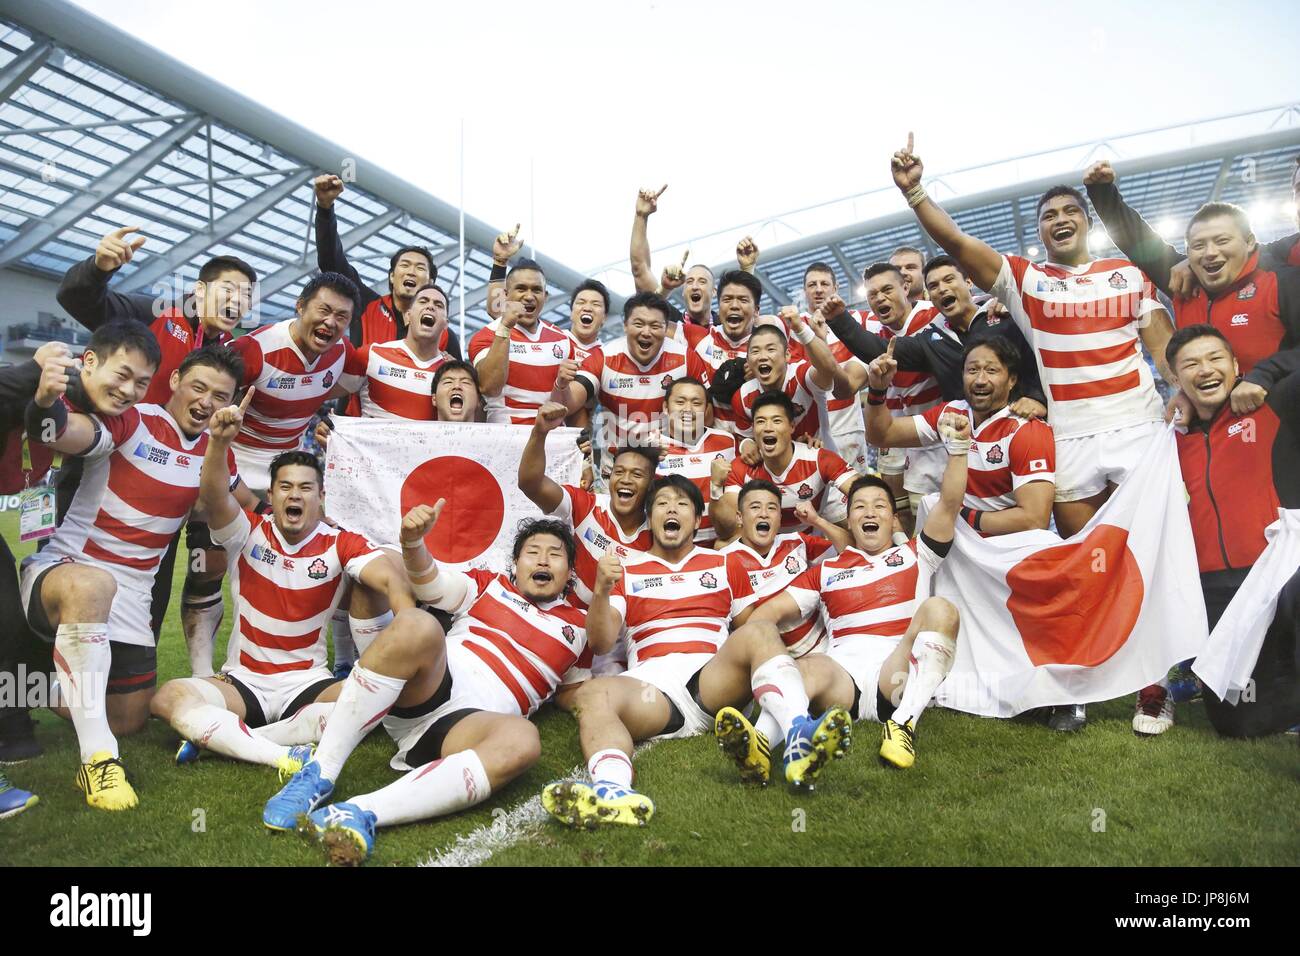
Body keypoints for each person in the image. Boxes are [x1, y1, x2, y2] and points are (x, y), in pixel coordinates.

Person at [892, 134, 1177, 731]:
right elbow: (957, 245)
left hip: (1138, 427)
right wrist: (916, 191)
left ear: (1088, 223)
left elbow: (1161, 349)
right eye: (1049, 216)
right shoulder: (1025, 281)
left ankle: (1156, 687)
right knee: (1087, 566)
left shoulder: (1130, 274)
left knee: (1152, 553)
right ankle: (1087, 673)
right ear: (1040, 233)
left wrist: (1183, 396)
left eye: (1072, 211)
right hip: (1069, 437)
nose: (1060, 220)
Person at [271, 505, 594, 865]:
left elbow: (576, 691)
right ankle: (321, 773)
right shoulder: (489, 586)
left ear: (570, 575)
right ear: (515, 565)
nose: (543, 561)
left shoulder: (581, 628)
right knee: (417, 624)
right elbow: (430, 582)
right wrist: (412, 544)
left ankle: (360, 811)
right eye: (532, 553)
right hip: (431, 686)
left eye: (555, 555)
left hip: (468, 726)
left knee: (523, 740)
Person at [19, 337, 253, 810]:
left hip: (132, 597)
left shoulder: (217, 454)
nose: (206, 402)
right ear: (173, 382)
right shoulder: (133, 420)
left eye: (221, 396)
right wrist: (46, 403)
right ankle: (99, 762)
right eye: (198, 387)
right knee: (94, 584)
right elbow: (65, 433)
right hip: (67, 571)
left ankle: (31, 674)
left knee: (129, 716)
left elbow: (249, 510)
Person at [542, 475, 852, 828]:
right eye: (661, 503)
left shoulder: (723, 563)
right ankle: (613, 792)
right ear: (650, 516)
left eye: (682, 503)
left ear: (698, 518)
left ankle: (797, 732)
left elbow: (754, 629)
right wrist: (600, 590)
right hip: (654, 690)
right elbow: (600, 642)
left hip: (712, 680)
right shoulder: (626, 569)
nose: (671, 509)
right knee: (593, 692)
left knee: (760, 629)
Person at [152, 390, 416, 774]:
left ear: (321, 497)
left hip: (307, 684)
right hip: (244, 683)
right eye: (286, 487)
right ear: (271, 494)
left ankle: (232, 738)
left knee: (380, 700)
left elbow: (388, 577)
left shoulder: (341, 542)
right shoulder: (246, 532)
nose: (295, 495)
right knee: (167, 697)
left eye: (306, 488)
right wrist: (219, 442)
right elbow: (212, 496)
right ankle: (280, 753)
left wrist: (407, 618)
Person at [56, 228, 259, 687]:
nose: (239, 302)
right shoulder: (157, 313)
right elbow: (83, 300)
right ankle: (42, 683)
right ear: (200, 291)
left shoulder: (225, 353)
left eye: (247, 297)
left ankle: (125, 681)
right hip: (103, 465)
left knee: (153, 579)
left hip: (173, 486)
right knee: (72, 563)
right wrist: (98, 268)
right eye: (229, 290)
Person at [723, 421, 967, 777]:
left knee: (941, 609)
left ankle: (902, 725)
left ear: (893, 518)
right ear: (849, 520)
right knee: (805, 668)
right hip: (843, 683)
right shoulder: (825, 571)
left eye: (879, 506)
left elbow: (949, 502)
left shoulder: (918, 554)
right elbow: (766, 616)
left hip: (894, 676)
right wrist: (762, 651)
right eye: (860, 507)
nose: (869, 513)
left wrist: (959, 449)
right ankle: (759, 746)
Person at [1167, 325, 1300, 738]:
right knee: (1238, 724)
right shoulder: (1168, 440)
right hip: (1216, 591)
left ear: (1235, 365)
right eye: (1191, 364)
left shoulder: (1272, 405)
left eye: (1215, 359)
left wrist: (1264, 376)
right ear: (1174, 379)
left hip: (1281, 575)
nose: (1205, 370)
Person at [1084, 161, 1300, 390]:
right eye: (1199, 245)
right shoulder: (1184, 283)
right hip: (1214, 422)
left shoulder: (1281, 279)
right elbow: (1137, 240)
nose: (1210, 252)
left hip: (1281, 418)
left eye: (1222, 241)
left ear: (1249, 243)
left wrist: (1263, 376)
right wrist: (1103, 193)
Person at [865, 337, 1055, 534]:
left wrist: (957, 515)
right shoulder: (952, 412)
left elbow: (1034, 519)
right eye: (972, 370)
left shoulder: (1026, 430)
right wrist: (877, 389)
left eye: (991, 370)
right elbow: (882, 435)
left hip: (1007, 551)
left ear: (1012, 380)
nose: (980, 380)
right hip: (962, 542)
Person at [0, 342, 76, 811]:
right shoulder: (12, 393)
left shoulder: (60, 413)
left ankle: (13, 727)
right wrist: (36, 368)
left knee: (10, 619)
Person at [228, 272, 367, 497]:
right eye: (324, 310)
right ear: (300, 306)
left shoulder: (343, 351)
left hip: (288, 470)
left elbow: (350, 384)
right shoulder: (255, 350)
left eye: (342, 316)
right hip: (237, 469)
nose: (331, 322)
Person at [518, 403, 654, 608]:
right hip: (573, 626)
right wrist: (540, 432)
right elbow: (530, 483)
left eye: (637, 474)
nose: (625, 480)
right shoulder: (586, 505)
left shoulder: (659, 530)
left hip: (628, 633)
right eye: (618, 472)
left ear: (652, 485)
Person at [311, 174, 459, 358]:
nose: (411, 271)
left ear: (431, 282)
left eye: (420, 268)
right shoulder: (366, 304)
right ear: (391, 276)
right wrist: (325, 209)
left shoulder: (445, 334)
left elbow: (457, 380)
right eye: (405, 265)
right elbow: (331, 262)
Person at [554, 292, 712, 456]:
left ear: (666, 328)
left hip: (668, 462)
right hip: (617, 463)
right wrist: (561, 385)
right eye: (638, 324)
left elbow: (707, 412)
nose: (646, 332)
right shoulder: (604, 357)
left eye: (655, 326)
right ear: (625, 325)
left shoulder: (686, 358)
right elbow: (569, 406)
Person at [721, 480, 848, 661]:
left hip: (826, 651)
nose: (764, 514)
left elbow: (850, 551)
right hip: (769, 661)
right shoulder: (723, 561)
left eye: (772, 508)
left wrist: (817, 521)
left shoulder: (798, 542)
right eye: (755, 507)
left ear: (780, 517)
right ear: (740, 517)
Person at [712, 392, 856, 538]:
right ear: (753, 429)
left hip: (810, 545)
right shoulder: (741, 467)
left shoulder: (819, 459)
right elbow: (727, 530)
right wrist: (716, 486)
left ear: (792, 426)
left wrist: (819, 522)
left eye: (776, 421)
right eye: (761, 421)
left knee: (854, 537)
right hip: (763, 547)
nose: (768, 427)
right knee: (723, 544)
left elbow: (865, 492)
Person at [467, 259, 582, 426]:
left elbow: (566, 406)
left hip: (551, 436)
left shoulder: (562, 339)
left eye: (536, 290)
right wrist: (505, 327)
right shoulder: (486, 335)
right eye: (521, 289)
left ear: (545, 296)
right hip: (506, 435)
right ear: (505, 295)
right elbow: (490, 387)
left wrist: (561, 386)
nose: (529, 296)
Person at [730, 314, 840, 450]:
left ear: (787, 355)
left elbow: (829, 370)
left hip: (820, 460)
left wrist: (800, 328)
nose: (763, 357)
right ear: (747, 360)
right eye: (755, 351)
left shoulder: (802, 376)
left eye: (771, 349)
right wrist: (746, 445)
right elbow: (746, 439)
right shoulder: (742, 397)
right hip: (775, 468)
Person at [347, 283, 454, 421]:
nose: (430, 306)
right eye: (423, 301)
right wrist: (333, 427)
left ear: (446, 323)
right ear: (408, 315)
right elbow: (321, 391)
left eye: (439, 305)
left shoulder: (453, 373)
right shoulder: (371, 355)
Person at [803, 262, 872, 474]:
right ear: (804, 291)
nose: (818, 289)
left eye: (824, 283)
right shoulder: (794, 328)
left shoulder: (858, 320)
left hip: (849, 430)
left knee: (857, 494)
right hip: (813, 435)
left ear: (836, 288)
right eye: (812, 284)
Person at [650, 377, 735, 545]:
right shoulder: (649, 447)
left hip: (719, 542)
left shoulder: (727, 442)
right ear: (666, 407)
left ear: (706, 409)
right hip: (670, 545)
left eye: (696, 404)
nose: (688, 409)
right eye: (680, 402)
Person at [630, 185, 716, 329]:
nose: (694, 286)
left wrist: (747, 267)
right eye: (689, 282)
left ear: (714, 291)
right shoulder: (673, 323)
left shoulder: (726, 329)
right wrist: (641, 216)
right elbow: (640, 269)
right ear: (683, 291)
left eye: (702, 281)